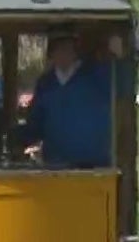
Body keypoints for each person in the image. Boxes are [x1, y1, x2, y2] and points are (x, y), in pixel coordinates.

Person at [17, 29, 133, 168]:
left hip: (94, 167)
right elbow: (36, 125)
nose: (63, 53)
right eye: (58, 48)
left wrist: (120, 56)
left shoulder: (96, 75)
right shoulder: (46, 84)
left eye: (67, 47)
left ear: (75, 51)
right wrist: (15, 139)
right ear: (51, 53)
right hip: (56, 167)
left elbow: (125, 83)